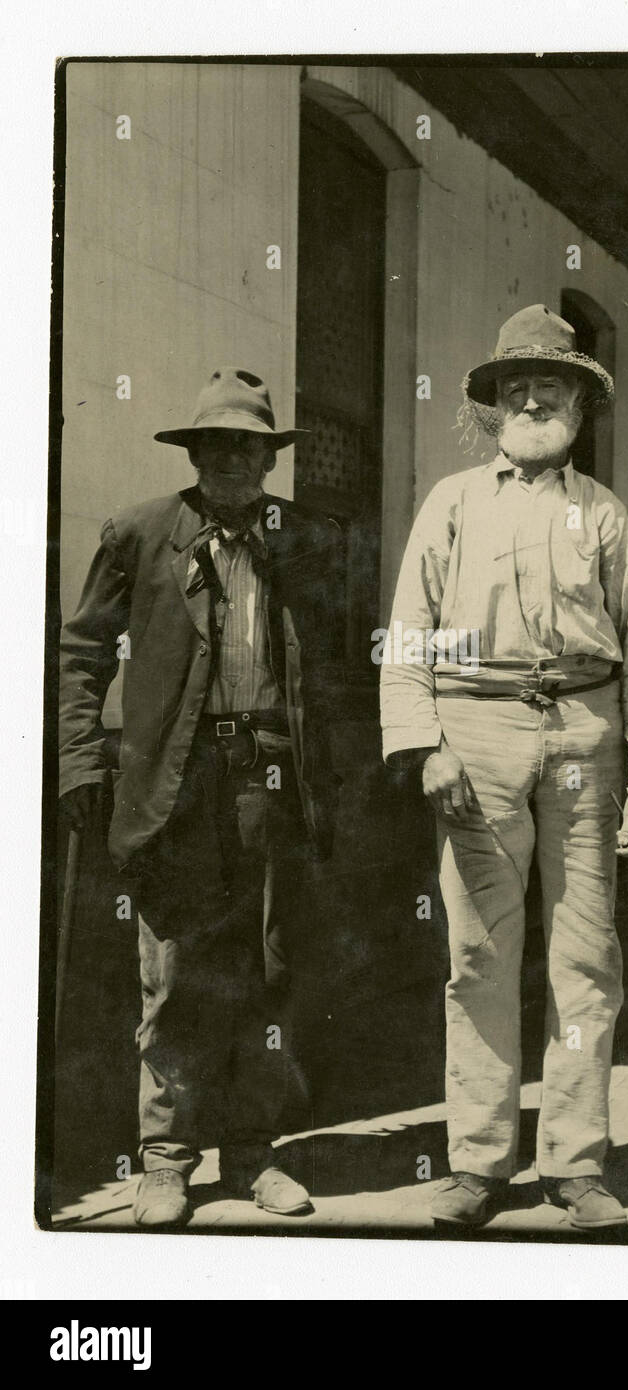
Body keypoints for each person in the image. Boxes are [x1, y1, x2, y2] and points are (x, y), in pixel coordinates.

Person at [380, 305, 628, 1230]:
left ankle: (576, 1163)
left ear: (581, 404)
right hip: (477, 740)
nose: (532, 397)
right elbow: (407, 636)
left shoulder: (603, 514)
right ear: (494, 406)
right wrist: (424, 742)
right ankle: (476, 1161)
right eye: (515, 386)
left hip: (586, 742)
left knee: (587, 959)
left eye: (550, 384)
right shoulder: (453, 503)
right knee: (478, 955)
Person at [59, 367, 342, 1227]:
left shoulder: (299, 542)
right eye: (214, 445)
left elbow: (329, 665)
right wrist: (79, 762)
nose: (231, 460)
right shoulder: (141, 533)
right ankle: (166, 1162)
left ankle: (255, 1155)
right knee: (175, 974)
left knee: (265, 969)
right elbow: (82, 652)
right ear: (194, 454)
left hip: (269, 778)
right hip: (173, 785)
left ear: (268, 459)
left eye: (247, 447)